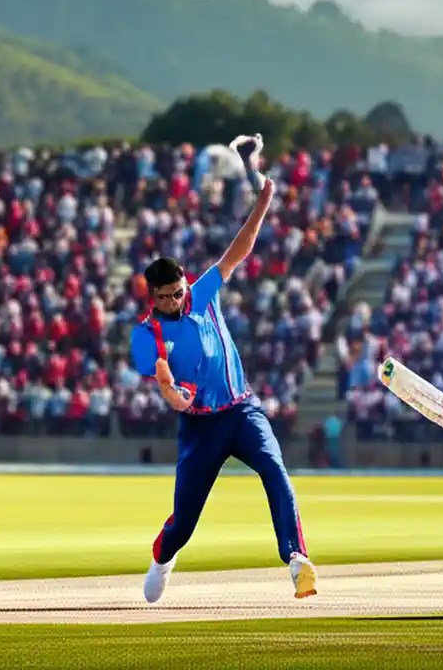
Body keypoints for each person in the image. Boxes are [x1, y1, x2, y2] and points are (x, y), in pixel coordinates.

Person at [130, 134, 316, 604]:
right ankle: (162, 556)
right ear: (151, 296)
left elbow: (241, 248)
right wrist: (175, 397)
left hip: (242, 410)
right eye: (167, 296)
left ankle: (296, 559)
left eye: (179, 291)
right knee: (184, 521)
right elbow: (165, 383)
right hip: (199, 428)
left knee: (275, 470)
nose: (176, 300)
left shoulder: (202, 292)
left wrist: (266, 197)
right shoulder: (147, 332)